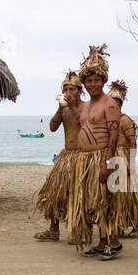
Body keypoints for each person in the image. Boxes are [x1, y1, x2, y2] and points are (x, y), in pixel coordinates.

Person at [68, 46, 123, 259]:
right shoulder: (86, 105)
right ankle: (102, 243)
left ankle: (115, 242)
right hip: (85, 160)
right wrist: (71, 103)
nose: (92, 84)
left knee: (105, 202)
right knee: (94, 203)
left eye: (96, 80)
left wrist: (107, 164)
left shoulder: (109, 104)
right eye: (88, 81)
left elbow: (113, 135)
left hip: (101, 157)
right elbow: (83, 123)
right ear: (84, 83)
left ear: (103, 81)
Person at [34, 71, 83, 241]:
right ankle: (53, 229)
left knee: (78, 195)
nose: (68, 93)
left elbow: (87, 125)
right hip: (66, 157)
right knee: (54, 193)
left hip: (82, 157)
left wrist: (74, 108)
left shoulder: (86, 107)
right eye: (66, 89)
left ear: (80, 91)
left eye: (72, 89)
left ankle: (79, 229)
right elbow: (52, 128)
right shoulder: (63, 110)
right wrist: (59, 109)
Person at [107, 80, 138, 237]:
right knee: (115, 195)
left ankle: (133, 222)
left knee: (126, 195)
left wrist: (130, 163)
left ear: (121, 104)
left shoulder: (125, 120)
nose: (113, 105)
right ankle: (118, 224)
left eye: (116, 103)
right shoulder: (109, 121)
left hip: (123, 159)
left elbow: (133, 143)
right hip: (112, 158)